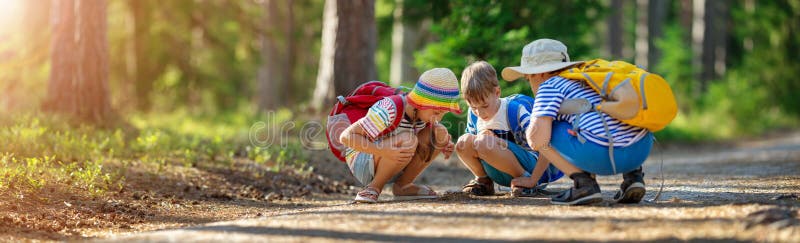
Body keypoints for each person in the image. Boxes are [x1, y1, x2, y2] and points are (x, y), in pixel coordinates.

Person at [501, 39, 654, 205]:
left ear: (538, 73)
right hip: (640, 150)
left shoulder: (549, 86)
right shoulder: (590, 79)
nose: (530, 84)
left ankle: (584, 185)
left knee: (546, 128)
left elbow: (537, 140)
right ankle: (633, 177)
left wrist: (530, 126)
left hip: (605, 155)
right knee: (599, 118)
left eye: (527, 78)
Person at [339, 68, 460, 203]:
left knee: (440, 132)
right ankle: (373, 188)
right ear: (421, 102)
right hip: (363, 159)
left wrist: (441, 145)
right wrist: (383, 150)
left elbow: (429, 136)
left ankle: (404, 186)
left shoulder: (423, 115)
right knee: (408, 139)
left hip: (394, 157)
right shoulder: (389, 109)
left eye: (444, 113)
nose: (438, 118)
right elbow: (346, 137)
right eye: (437, 112)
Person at [456, 61, 563, 197]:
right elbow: (470, 146)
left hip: (531, 169)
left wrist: (533, 178)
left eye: (484, 106)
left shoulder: (514, 111)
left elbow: (545, 143)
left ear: (497, 92)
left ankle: (525, 183)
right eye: (474, 107)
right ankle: (484, 182)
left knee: (483, 142)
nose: (480, 113)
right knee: (463, 142)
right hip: (498, 169)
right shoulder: (474, 115)